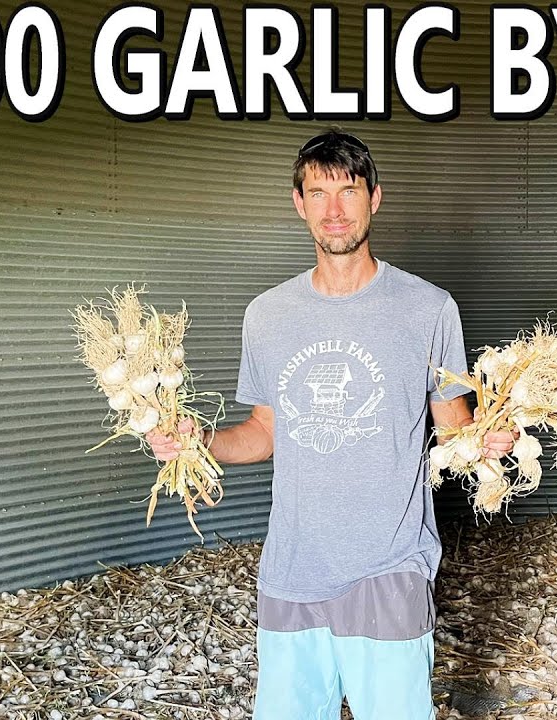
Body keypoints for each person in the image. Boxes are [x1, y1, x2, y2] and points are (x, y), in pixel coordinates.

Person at [147, 129, 515, 720]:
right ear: (299, 203)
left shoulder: (429, 308)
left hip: (390, 567)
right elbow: (265, 432)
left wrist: (489, 443)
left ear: (375, 197)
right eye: (318, 193)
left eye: (348, 190)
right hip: (293, 569)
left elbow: (454, 432)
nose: (335, 209)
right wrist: (198, 440)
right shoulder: (267, 316)